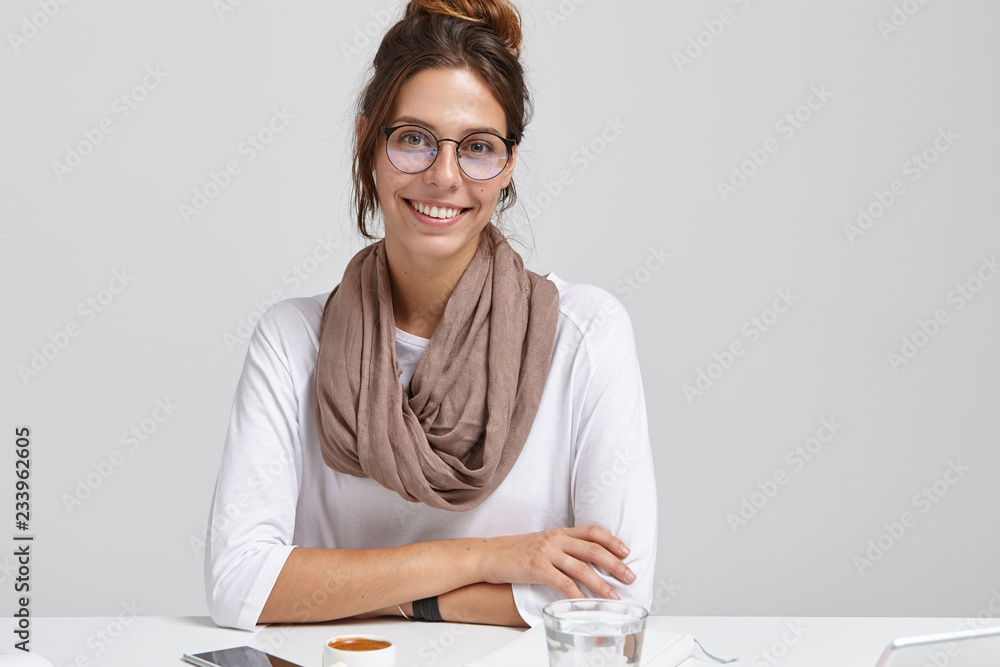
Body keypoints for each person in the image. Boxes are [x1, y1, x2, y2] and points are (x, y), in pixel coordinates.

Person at [204, 0, 657, 631]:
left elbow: (611, 596)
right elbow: (238, 585)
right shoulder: (292, 340)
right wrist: (493, 558)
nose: (444, 176)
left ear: (508, 165)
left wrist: (374, 592)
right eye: (413, 139)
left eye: (477, 147)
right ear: (368, 142)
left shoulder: (585, 333)